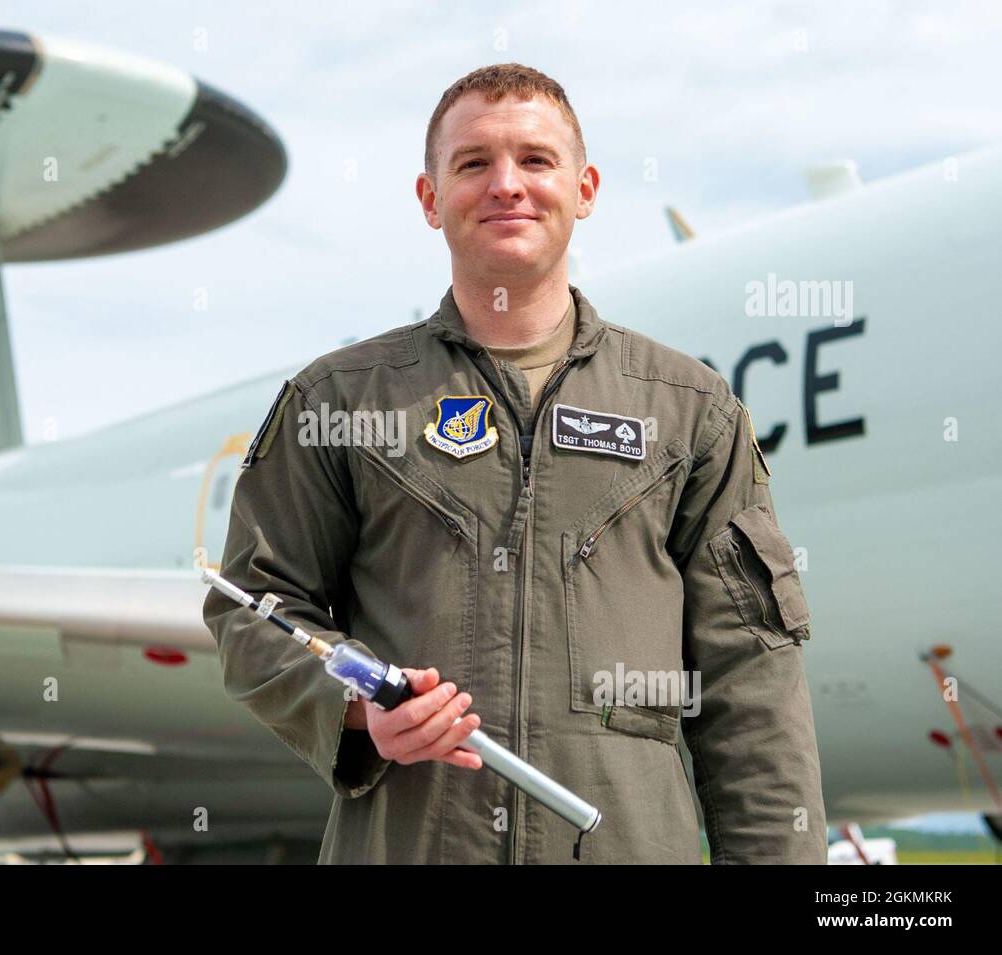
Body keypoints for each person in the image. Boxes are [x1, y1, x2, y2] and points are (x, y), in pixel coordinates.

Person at [203, 63, 826, 864]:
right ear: (430, 199)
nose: (507, 185)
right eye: (472, 163)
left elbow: (751, 682)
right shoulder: (340, 401)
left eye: (536, 160)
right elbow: (255, 610)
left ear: (585, 187)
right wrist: (360, 708)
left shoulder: (690, 409)